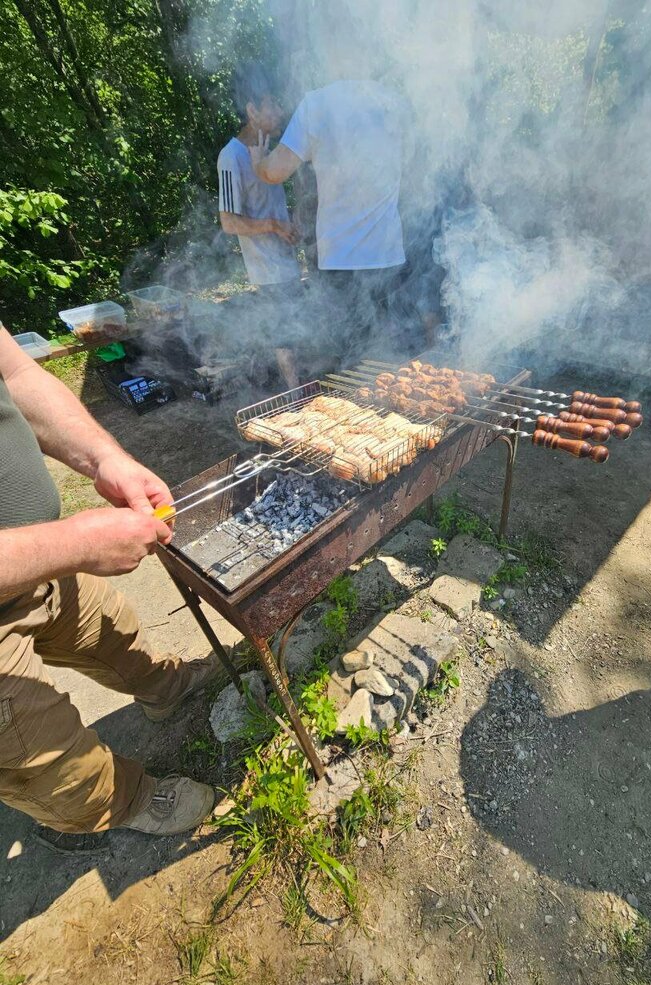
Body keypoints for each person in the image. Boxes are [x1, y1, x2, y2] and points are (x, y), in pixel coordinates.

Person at [0, 322, 222, 837]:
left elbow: (17, 373)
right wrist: (75, 544)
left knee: (110, 629)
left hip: (37, 563)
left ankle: (166, 689)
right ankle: (127, 804)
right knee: (44, 757)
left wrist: (105, 457)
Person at [253, 77, 406, 362]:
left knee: (348, 363)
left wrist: (258, 161)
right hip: (389, 258)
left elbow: (274, 172)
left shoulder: (316, 104)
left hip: (339, 262)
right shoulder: (394, 102)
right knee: (392, 358)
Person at [217, 63, 302, 387]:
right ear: (252, 110)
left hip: (288, 263)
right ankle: (296, 398)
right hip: (267, 270)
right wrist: (274, 226)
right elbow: (228, 222)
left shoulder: (267, 152)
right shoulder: (231, 157)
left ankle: (302, 392)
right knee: (284, 337)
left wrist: (289, 224)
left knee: (299, 331)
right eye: (273, 104)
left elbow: (271, 202)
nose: (280, 112)